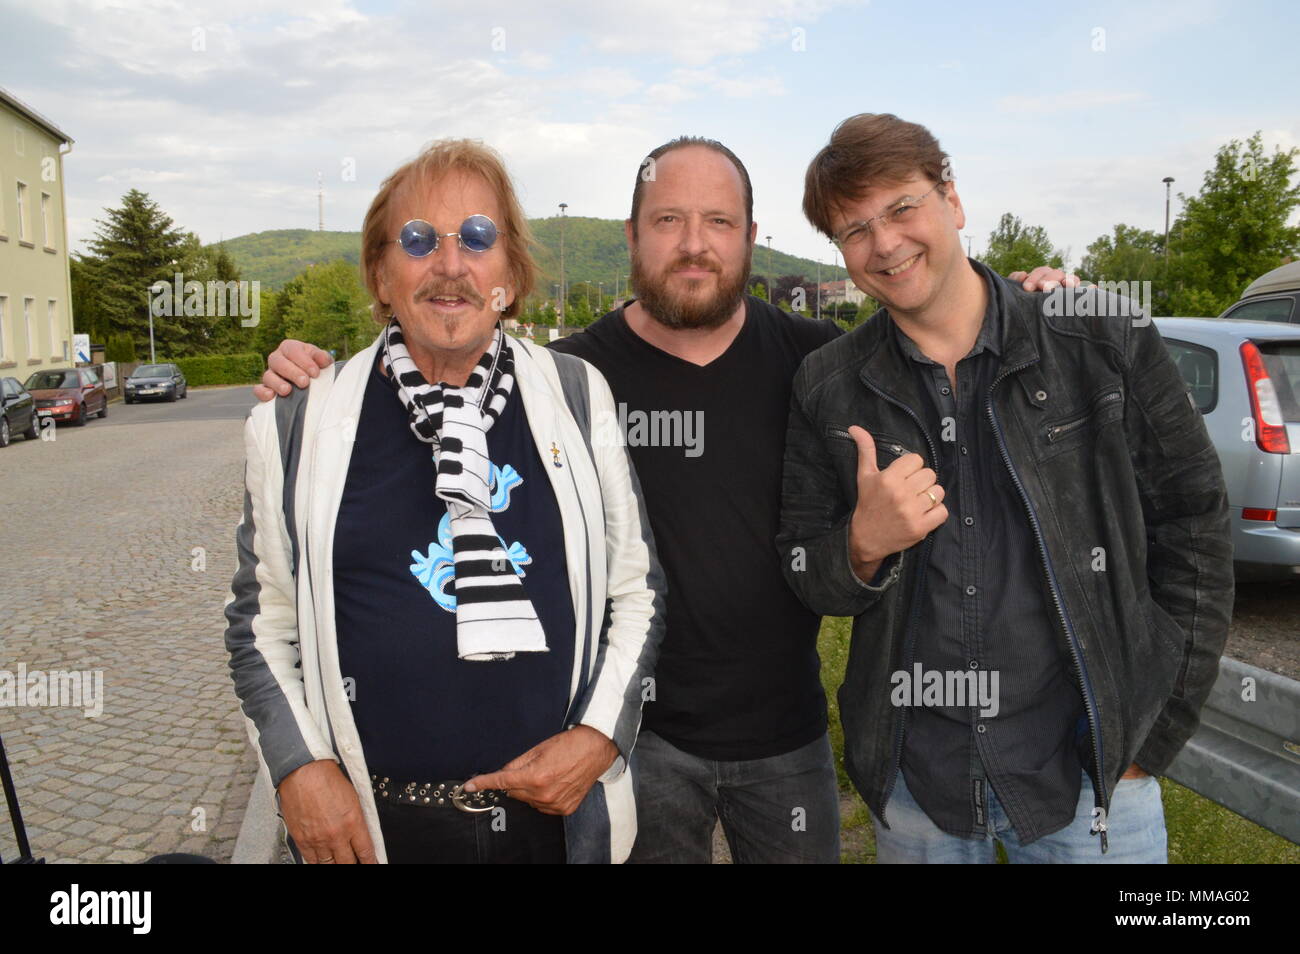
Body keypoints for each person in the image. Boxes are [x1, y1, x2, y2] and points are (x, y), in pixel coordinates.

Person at [257, 137, 1070, 864]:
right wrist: (316, 387)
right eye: (668, 220)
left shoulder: (820, 362)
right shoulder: (574, 384)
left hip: (786, 736)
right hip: (640, 746)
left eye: (717, 222)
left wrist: (1020, 302)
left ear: (751, 238)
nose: (693, 244)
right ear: (632, 236)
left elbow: (939, 350)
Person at [777, 113, 1233, 863]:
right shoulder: (828, 386)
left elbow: (1195, 527)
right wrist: (862, 548)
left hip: (1092, 778)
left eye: (902, 208)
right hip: (918, 786)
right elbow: (803, 569)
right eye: (854, 230)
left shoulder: (1101, 338)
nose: (885, 243)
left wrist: (1157, 728)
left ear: (952, 201)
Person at [223, 138, 665, 864]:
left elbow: (639, 589)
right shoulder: (298, 421)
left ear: (512, 274)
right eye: (419, 239)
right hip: (374, 829)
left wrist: (596, 738)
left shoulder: (580, 397)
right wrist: (299, 767)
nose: (451, 265)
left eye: (479, 238)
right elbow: (259, 624)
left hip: (554, 822)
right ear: (381, 273)